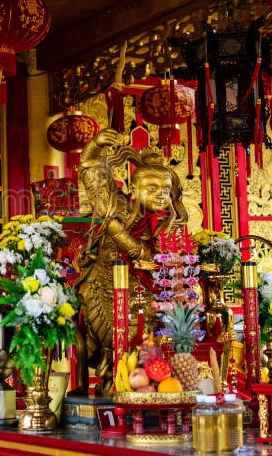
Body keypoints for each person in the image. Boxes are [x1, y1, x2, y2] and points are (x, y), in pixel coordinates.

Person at [72, 128, 188, 395]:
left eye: (166, 191)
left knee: (148, 340)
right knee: (108, 336)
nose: (161, 196)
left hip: (147, 293)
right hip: (105, 286)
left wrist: (120, 235)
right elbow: (92, 172)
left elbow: (157, 259)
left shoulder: (169, 224)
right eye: (152, 188)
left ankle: (145, 385)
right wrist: (95, 145)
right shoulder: (117, 206)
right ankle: (116, 378)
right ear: (134, 190)